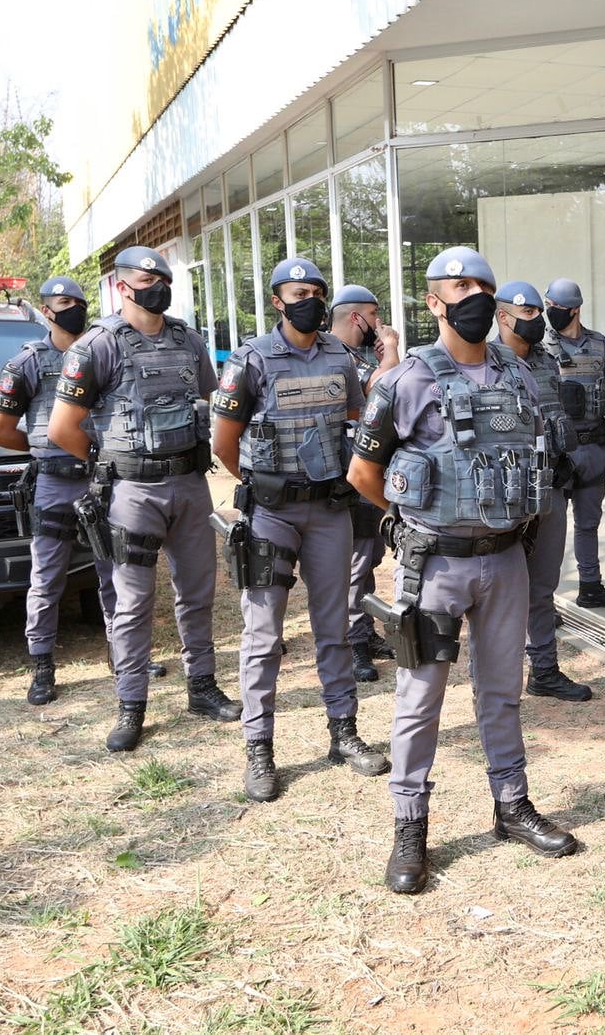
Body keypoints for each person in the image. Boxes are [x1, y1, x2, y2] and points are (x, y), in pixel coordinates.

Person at [348, 247, 580, 894]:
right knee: (420, 700)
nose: (475, 293)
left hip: (506, 560)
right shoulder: (408, 378)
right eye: (459, 285)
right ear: (433, 300)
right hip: (436, 564)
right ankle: (410, 825)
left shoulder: (518, 373)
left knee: (502, 694)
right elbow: (363, 472)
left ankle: (512, 806)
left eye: (483, 283)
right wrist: (401, 524)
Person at [47, 245, 241, 752]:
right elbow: (62, 428)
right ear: (122, 286)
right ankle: (131, 705)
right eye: (145, 278)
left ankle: (201, 687)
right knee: (133, 604)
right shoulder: (96, 347)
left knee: (197, 593)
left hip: (189, 486)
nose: (157, 285)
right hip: (132, 491)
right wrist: (106, 458)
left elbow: (208, 399)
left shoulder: (188, 341)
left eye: (162, 277)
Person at [212, 258, 389, 801]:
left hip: (330, 513)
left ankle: (344, 734)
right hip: (272, 515)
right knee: (263, 635)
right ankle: (259, 748)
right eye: (298, 291)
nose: (309, 299)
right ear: (276, 301)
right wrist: (267, 486)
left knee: (334, 627)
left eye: (316, 290)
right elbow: (223, 443)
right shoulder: (251, 361)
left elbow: (360, 420)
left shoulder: (341, 356)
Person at [0, 277, 118, 705]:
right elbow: (0, 432)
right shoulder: (27, 363)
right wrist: (48, 443)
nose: (74, 309)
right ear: (46, 311)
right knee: (46, 579)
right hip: (55, 481)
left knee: (115, 575)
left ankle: (124, 656)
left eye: (79, 302)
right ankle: (43, 666)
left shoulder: (105, 350)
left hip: (105, 478)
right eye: (64, 303)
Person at [495, 280, 593, 702]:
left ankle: (544, 669)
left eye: (539, 312)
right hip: (501, 497)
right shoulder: (485, 363)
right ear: (503, 317)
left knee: (542, 587)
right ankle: (498, 680)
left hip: (548, 488)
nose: (537, 321)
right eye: (528, 313)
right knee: (499, 590)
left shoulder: (548, 361)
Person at [544, 278, 605, 610]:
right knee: (550, 532)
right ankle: (543, 600)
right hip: (558, 452)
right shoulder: (541, 348)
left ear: (575, 309)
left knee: (588, 524)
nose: (550, 313)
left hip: (594, 447)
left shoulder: (598, 344)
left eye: (555, 308)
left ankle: (591, 587)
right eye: (548, 306)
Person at [328, 284, 401, 684]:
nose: (380, 323)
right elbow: (378, 390)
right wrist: (390, 348)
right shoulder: (335, 355)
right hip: (347, 473)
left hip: (369, 469)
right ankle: (353, 642)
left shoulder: (356, 355)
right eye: (375, 316)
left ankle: (364, 633)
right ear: (357, 317)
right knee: (356, 563)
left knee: (369, 557)